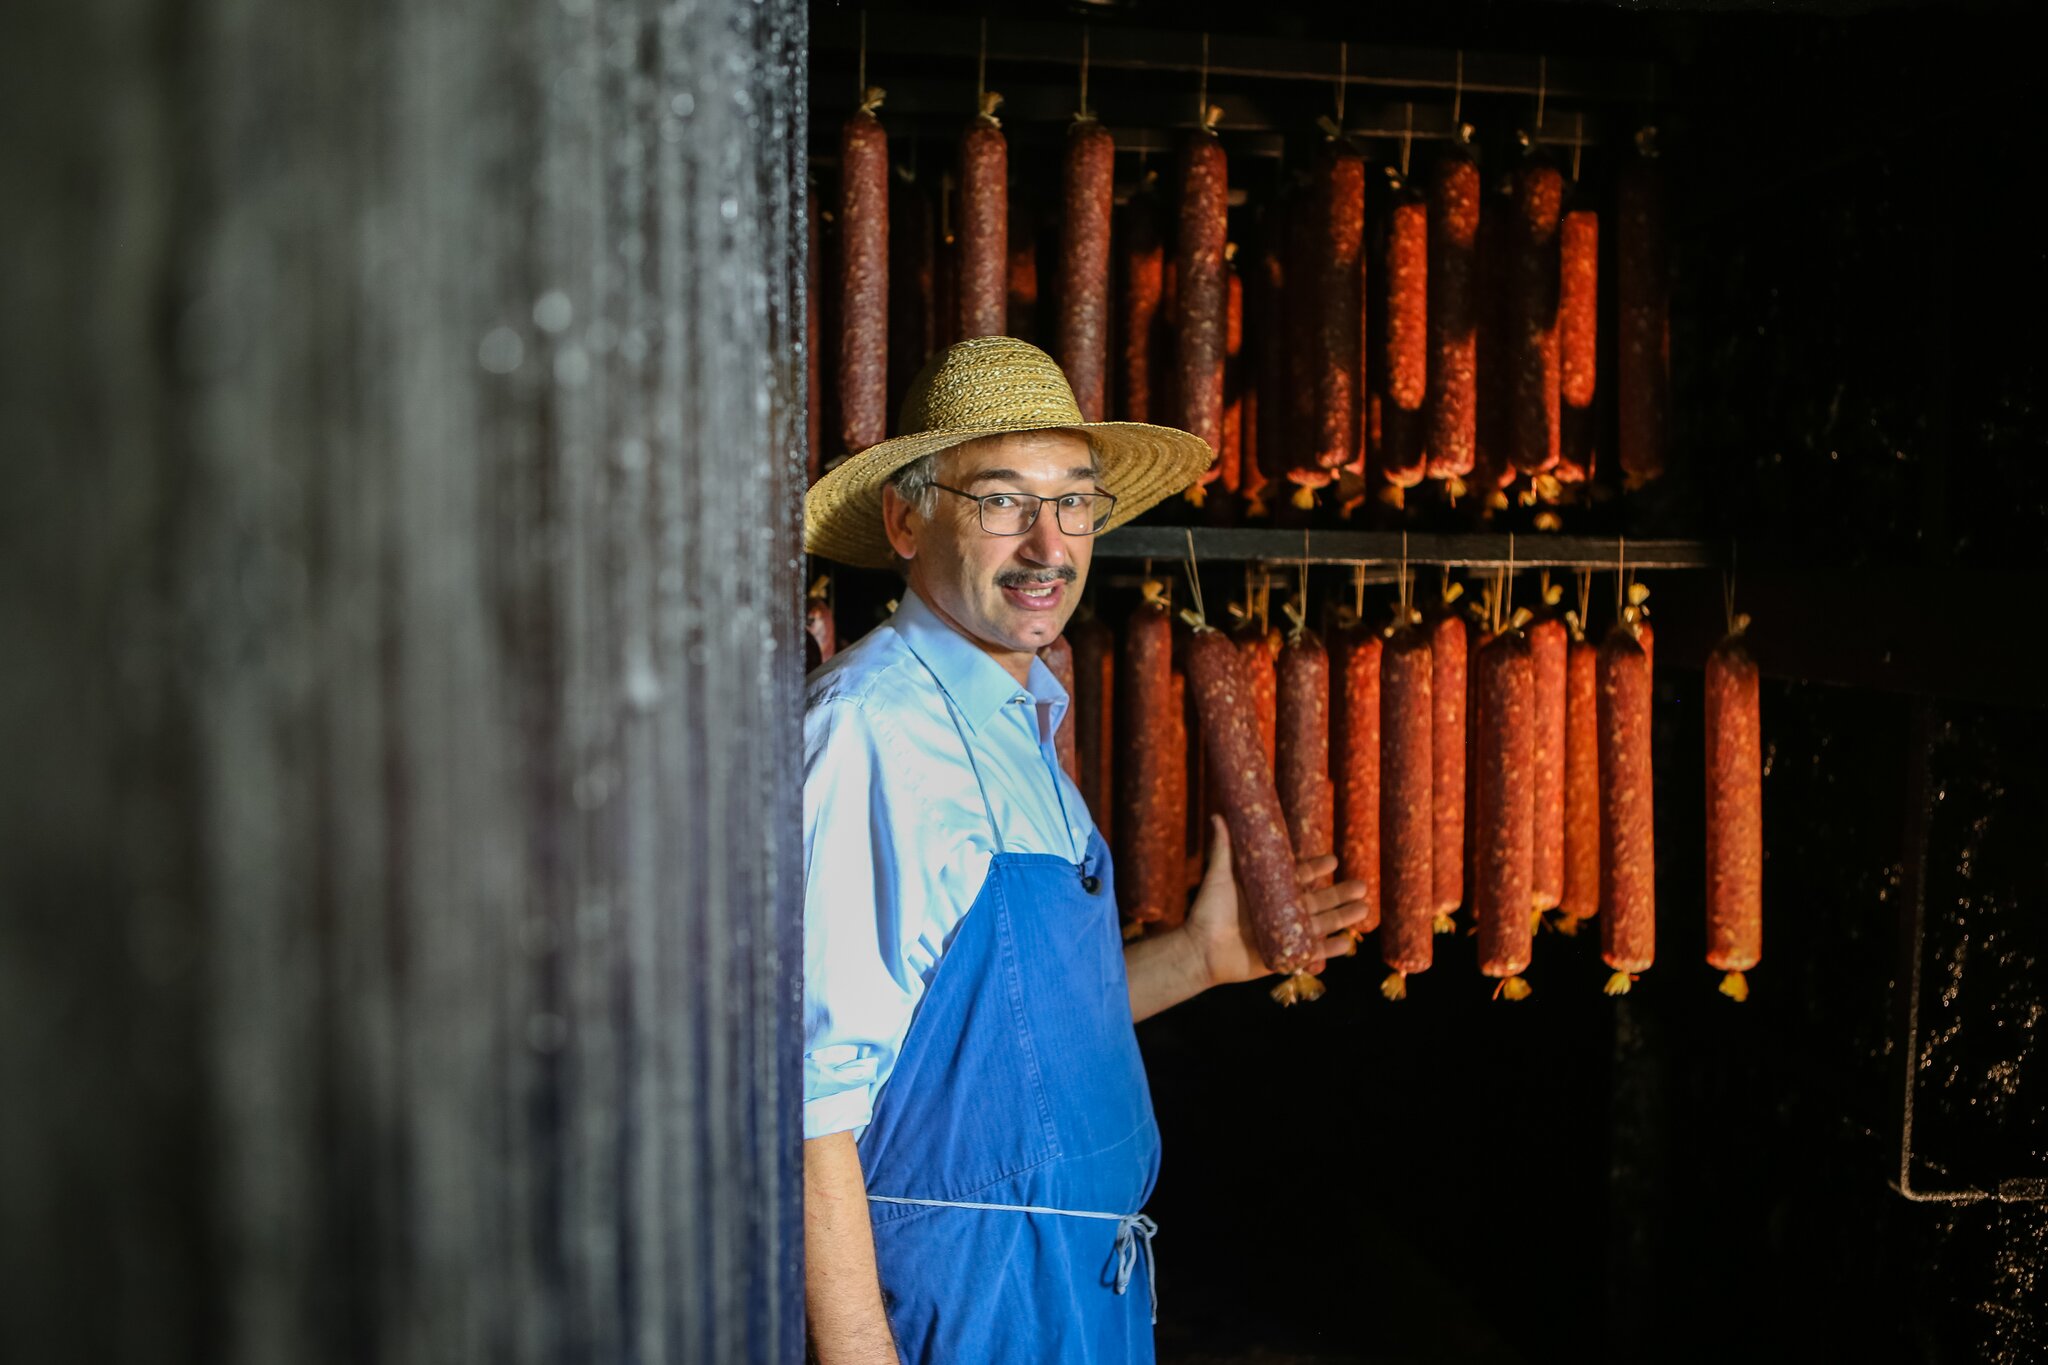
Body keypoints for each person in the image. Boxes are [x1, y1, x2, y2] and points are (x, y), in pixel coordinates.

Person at [800, 337, 1370, 1364]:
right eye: (1002, 500)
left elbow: (990, 1027)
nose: (1047, 543)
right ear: (903, 517)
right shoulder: (872, 733)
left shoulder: (1018, 717)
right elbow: (806, 1102)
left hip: (1069, 1296)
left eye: (1072, 502)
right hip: (953, 1308)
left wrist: (1196, 958)